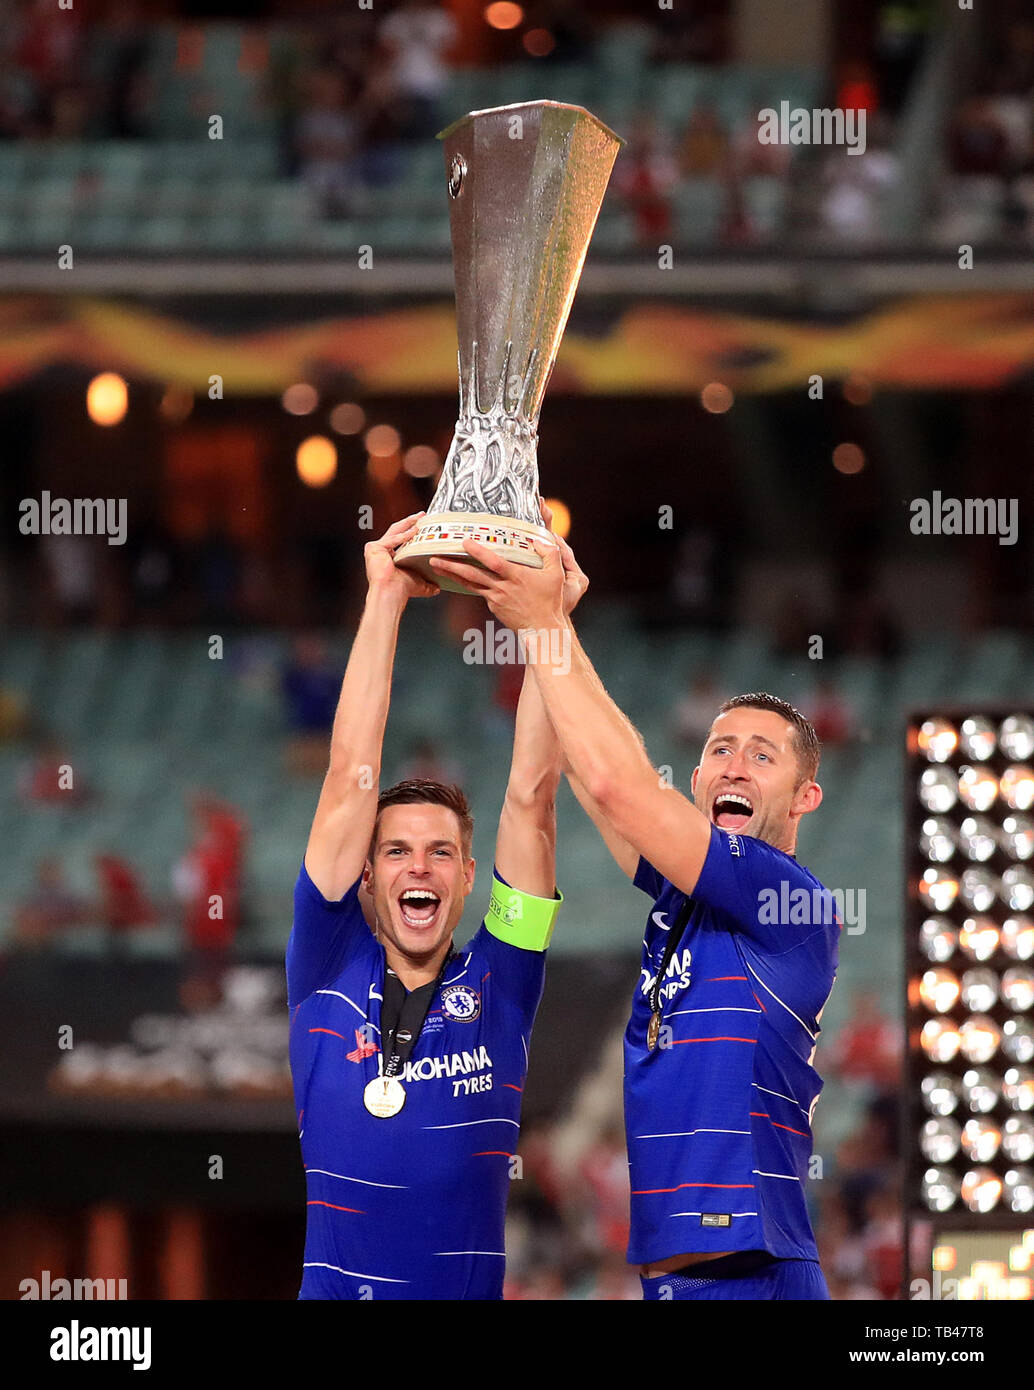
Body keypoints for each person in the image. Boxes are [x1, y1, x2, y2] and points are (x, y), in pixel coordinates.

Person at [430, 534, 840, 1302]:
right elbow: (593, 774)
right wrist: (550, 622)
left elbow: (622, 788)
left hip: (749, 1273)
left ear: (805, 797)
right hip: (680, 1278)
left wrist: (545, 623)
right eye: (719, 749)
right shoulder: (683, 902)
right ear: (694, 777)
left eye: (761, 756)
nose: (734, 765)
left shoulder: (789, 900)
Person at [287, 506, 580, 1300]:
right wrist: (384, 598)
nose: (420, 866)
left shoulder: (502, 984)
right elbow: (351, 774)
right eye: (396, 851)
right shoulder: (326, 962)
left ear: (467, 875)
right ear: (370, 879)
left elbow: (531, 797)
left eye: (441, 851)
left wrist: (551, 626)